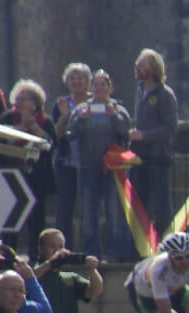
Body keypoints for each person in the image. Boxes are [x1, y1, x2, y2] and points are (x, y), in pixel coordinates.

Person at [65, 70, 132, 263]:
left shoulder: (119, 110)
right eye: (96, 85)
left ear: (110, 88)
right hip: (87, 169)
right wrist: (81, 120)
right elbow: (71, 134)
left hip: (113, 170)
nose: (100, 88)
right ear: (91, 88)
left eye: (104, 85)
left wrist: (114, 117)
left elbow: (126, 134)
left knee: (114, 211)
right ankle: (90, 252)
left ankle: (117, 253)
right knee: (88, 213)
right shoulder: (80, 110)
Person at [1, 81, 56, 255]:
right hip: (12, 177)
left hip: (37, 178)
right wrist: (20, 128)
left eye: (23, 99)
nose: (19, 102)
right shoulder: (7, 118)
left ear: (34, 102)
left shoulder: (46, 122)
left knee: (36, 220)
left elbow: (51, 144)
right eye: (17, 99)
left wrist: (34, 128)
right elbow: (0, 138)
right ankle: (9, 255)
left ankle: (35, 255)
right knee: (12, 220)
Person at [129, 50, 178, 237]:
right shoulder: (140, 92)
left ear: (152, 67)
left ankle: (164, 240)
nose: (137, 68)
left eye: (140, 65)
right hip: (140, 156)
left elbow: (170, 127)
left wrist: (145, 135)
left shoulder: (165, 95)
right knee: (140, 202)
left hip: (158, 157)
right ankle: (141, 244)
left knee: (161, 203)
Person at [50, 63, 93, 249]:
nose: (77, 82)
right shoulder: (61, 105)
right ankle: (63, 249)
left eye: (80, 78)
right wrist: (65, 115)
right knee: (64, 210)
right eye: (73, 79)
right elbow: (55, 134)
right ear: (67, 82)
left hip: (89, 163)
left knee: (89, 209)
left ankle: (88, 249)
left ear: (87, 82)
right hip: (66, 162)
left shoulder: (96, 103)